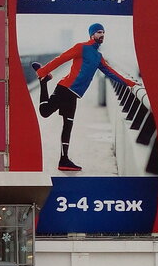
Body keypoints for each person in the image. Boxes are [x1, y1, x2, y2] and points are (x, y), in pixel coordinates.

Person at [32, 22, 137, 173]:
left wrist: (130, 83)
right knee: (45, 112)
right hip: (65, 88)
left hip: (74, 95)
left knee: (68, 126)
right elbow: (62, 58)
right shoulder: (81, 47)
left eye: (103, 32)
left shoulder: (98, 56)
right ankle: (44, 82)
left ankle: (64, 159)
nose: (102, 35)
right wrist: (43, 71)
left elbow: (110, 72)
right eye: (99, 32)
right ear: (92, 34)